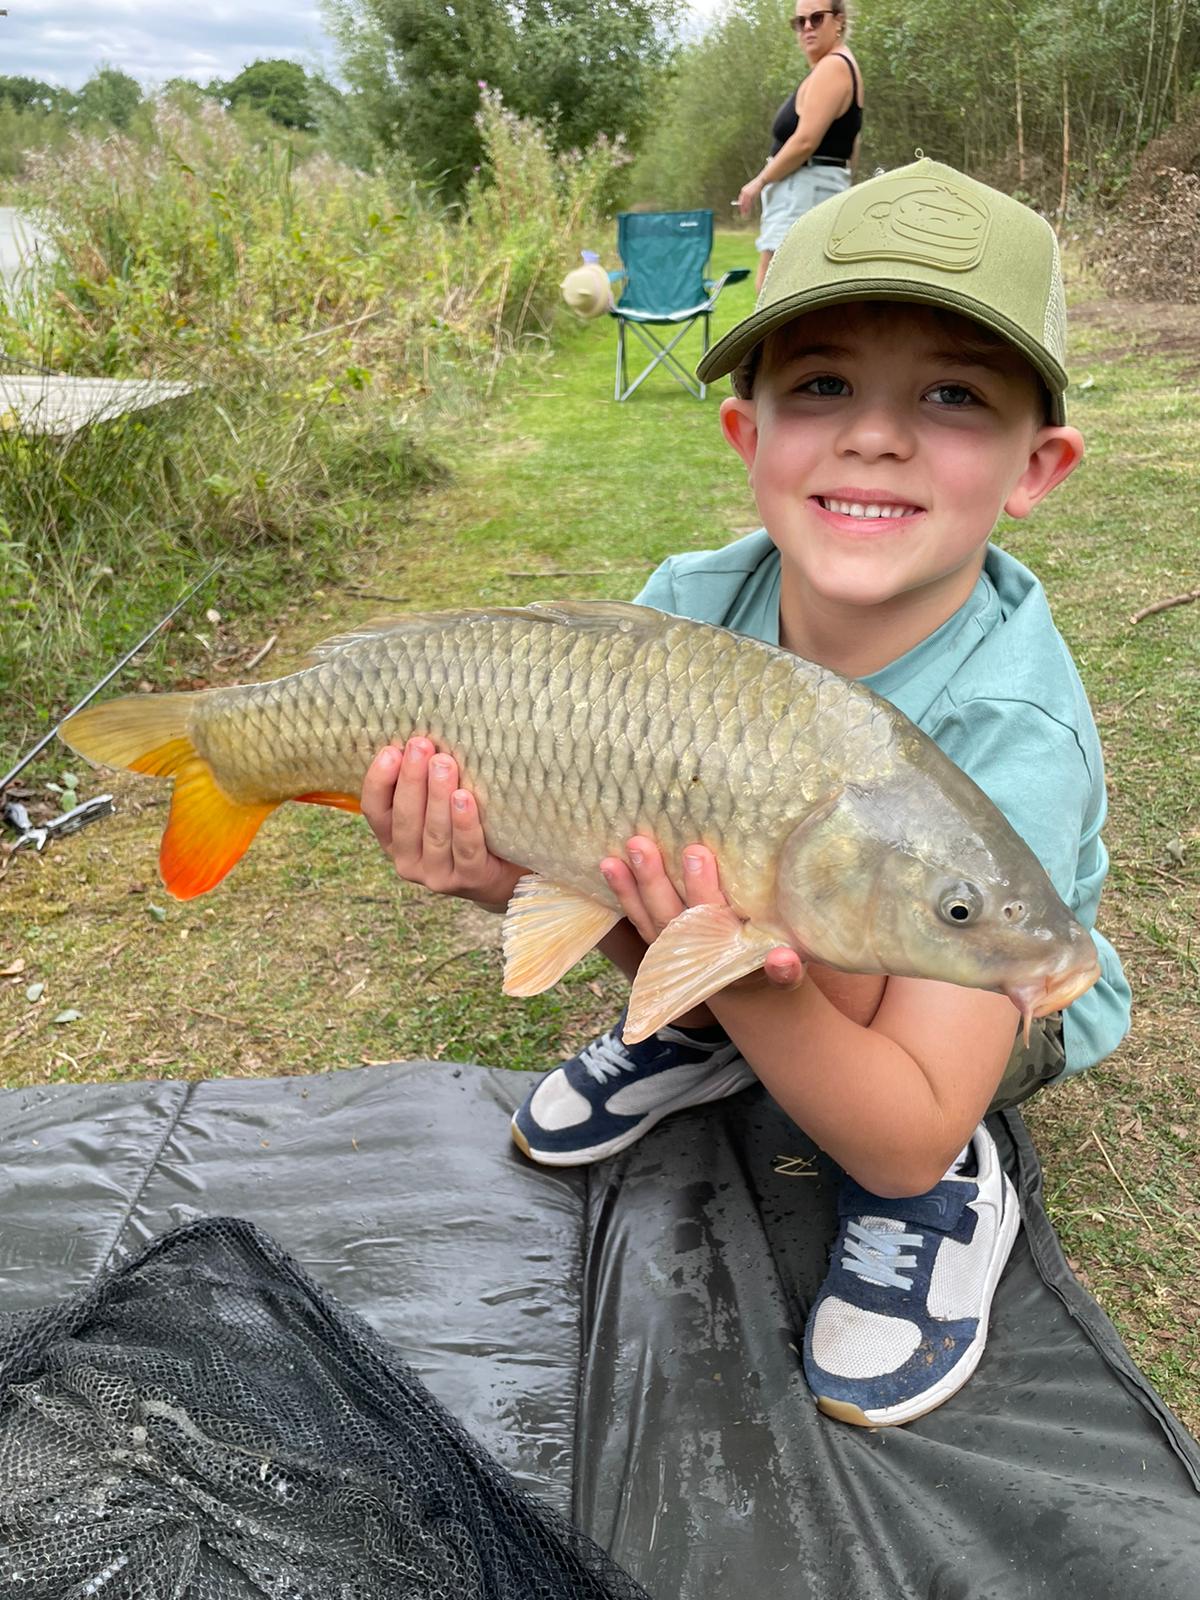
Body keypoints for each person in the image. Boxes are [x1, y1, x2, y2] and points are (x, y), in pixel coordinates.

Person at [359, 159, 1131, 1430]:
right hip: (748, 934)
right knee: (683, 867)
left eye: (950, 395)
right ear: (748, 434)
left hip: (979, 983)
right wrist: (499, 864)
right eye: (823, 385)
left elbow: (906, 1090)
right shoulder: (695, 605)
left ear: (1036, 466)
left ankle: (941, 1199)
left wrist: (776, 1012)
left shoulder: (1013, 727)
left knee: (864, 973)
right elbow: (615, 876)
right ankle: (699, 1032)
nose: (874, 434)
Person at [737, 0, 863, 292]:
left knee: (774, 288)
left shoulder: (834, 66)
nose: (807, 27)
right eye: (799, 21)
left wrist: (758, 182)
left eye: (816, 18)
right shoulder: (836, 66)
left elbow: (806, 141)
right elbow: (852, 144)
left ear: (839, 20)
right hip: (812, 187)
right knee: (799, 290)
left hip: (804, 190)